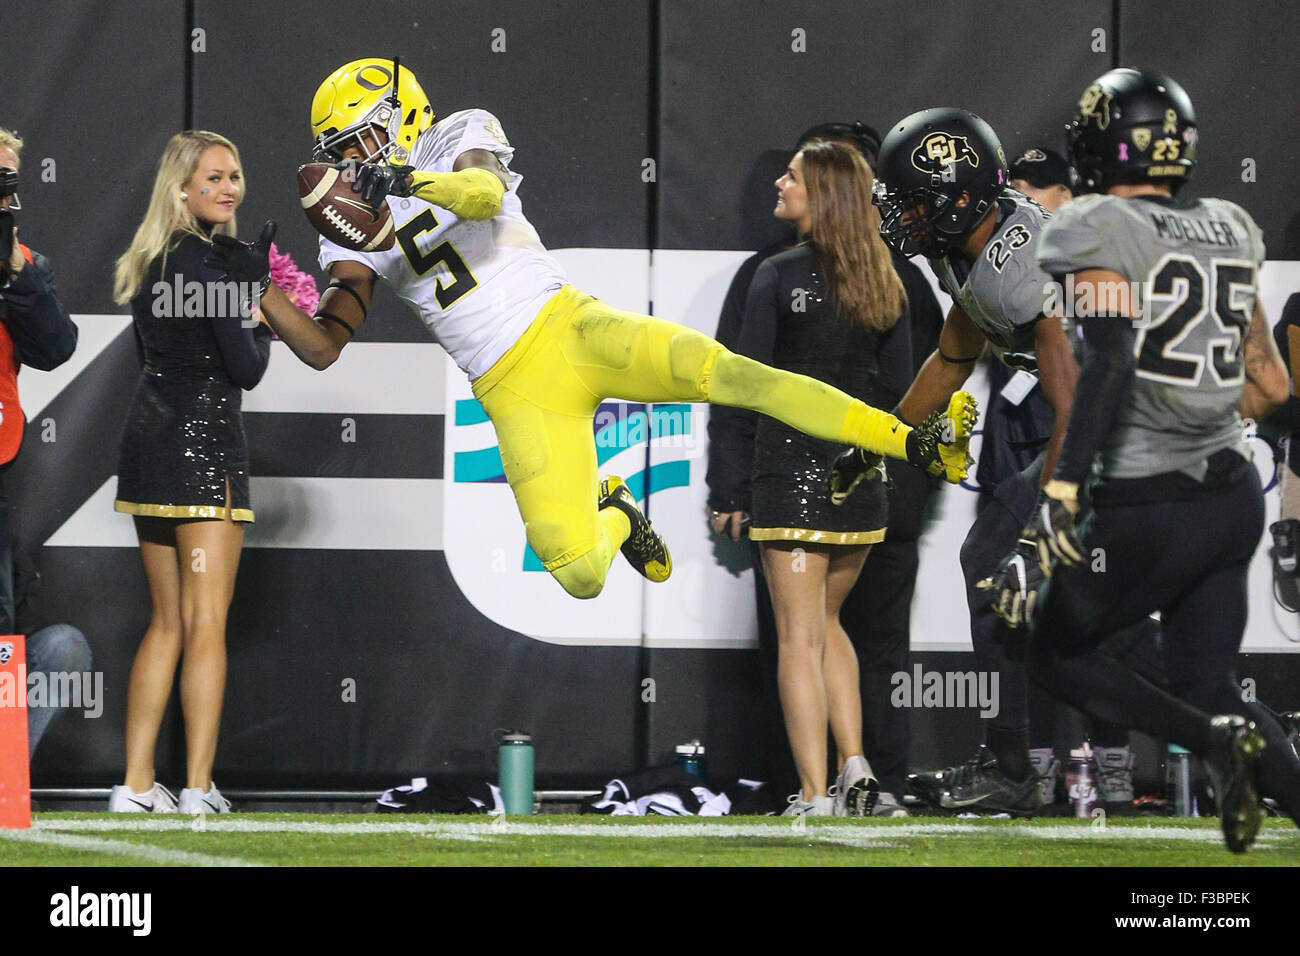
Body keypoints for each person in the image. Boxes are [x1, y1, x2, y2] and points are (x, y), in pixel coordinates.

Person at [209, 58, 977, 607]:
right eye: (339, 152)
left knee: (737, 375)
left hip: (569, 325)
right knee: (578, 574)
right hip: (510, 389)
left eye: (353, 143)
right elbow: (322, 345)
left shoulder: (456, 134)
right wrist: (261, 288)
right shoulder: (349, 231)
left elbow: (478, 196)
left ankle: (908, 441)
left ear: (396, 118)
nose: (347, 164)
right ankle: (616, 509)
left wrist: (406, 180)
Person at [988, 68, 1300, 851]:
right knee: (1207, 685)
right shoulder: (1231, 224)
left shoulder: (1093, 225)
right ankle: (1233, 744)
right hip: (1232, 499)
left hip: (1149, 497)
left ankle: (1219, 744)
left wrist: (1061, 488)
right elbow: (1267, 384)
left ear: (1100, 145)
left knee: (1054, 651)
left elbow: (1111, 365)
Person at [834, 108, 1081, 814]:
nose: (901, 216)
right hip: (1116, 423)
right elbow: (953, 354)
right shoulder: (972, 245)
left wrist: (1045, 523)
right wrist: (879, 441)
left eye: (913, 201)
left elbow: (1074, 409)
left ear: (963, 197)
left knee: (994, 556)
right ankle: (1257, 735)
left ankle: (1009, 763)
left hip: (1128, 428)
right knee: (1095, 629)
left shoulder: (1017, 262)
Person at [706, 121, 943, 816]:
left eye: (794, 179)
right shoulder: (888, 280)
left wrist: (736, 488)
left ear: (826, 197)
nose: (780, 184)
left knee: (798, 638)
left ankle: (814, 794)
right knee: (832, 627)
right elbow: (902, 400)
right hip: (863, 485)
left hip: (790, 480)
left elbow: (740, 386)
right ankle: (858, 773)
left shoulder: (774, 274)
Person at [108, 130, 272, 814]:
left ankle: (137, 786)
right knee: (205, 622)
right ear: (181, 188)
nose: (229, 187)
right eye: (214, 178)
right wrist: (257, 304)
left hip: (147, 450)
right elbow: (247, 368)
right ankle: (199, 789)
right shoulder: (209, 268)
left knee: (166, 623)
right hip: (203, 456)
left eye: (234, 174)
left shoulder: (149, 260)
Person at [0, 127, 79, 634]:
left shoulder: (25, 266)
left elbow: (56, 348)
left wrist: (13, 275)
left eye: (8, 182)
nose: (5, 194)